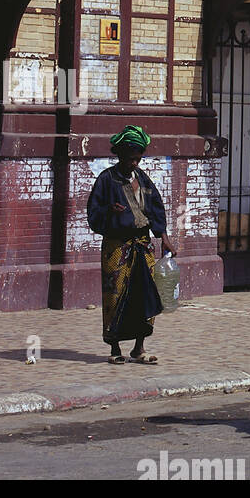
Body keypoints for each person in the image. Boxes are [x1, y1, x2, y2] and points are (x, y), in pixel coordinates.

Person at [86, 125, 179, 364]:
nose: (134, 164)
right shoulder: (107, 180)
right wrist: (109, 211)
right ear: (120, 155)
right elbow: (93, 214)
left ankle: (139, 347)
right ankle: (115, 348)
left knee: (145, 294)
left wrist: (164, 238)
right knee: (115, 295)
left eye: (138, 159)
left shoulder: (143, 180)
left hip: (143, 246)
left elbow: (156, 209)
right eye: (130, 159)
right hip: (117, 248)